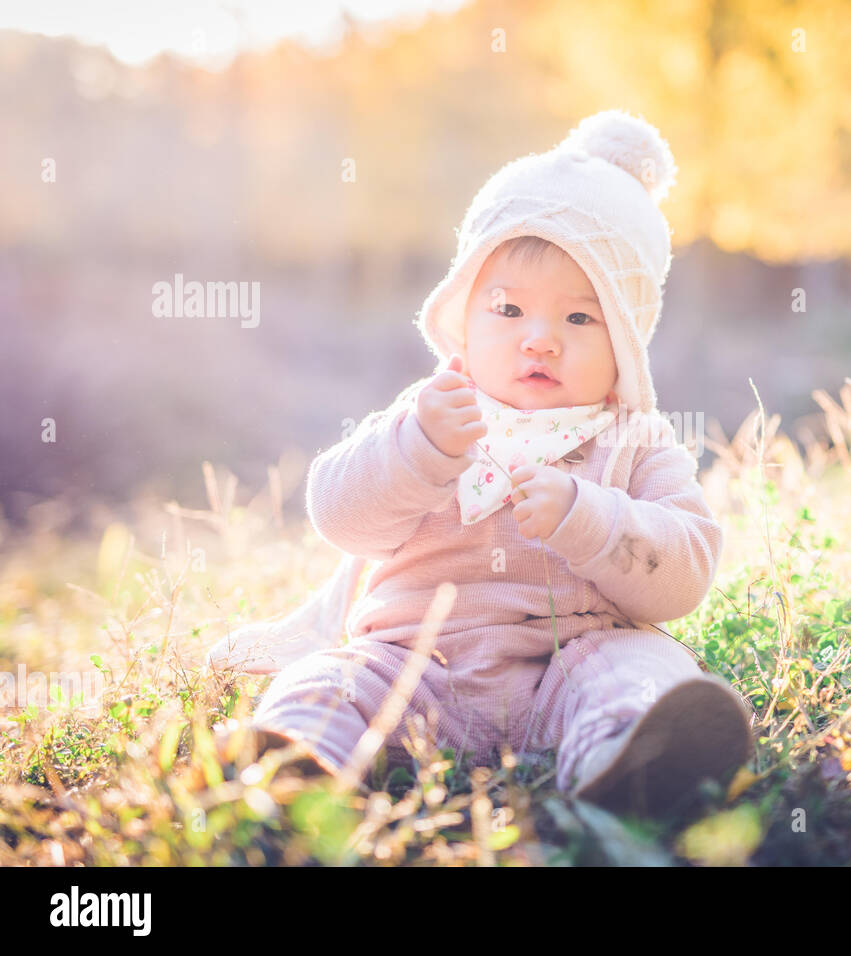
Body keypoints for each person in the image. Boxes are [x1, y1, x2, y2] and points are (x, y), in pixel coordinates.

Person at [207, 110, 753, 816]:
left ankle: (634, 757)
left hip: (571, 661)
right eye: (508, 309)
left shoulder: (635, 440)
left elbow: (687, 569)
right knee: (330, 682)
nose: (540, 341)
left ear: (625, 340)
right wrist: (415, 452)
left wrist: (590, 519)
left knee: (642, 670)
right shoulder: (433, 413)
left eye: (580, 319)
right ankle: (296, 760)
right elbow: (337, 515)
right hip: (413, 664)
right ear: (463, 314)